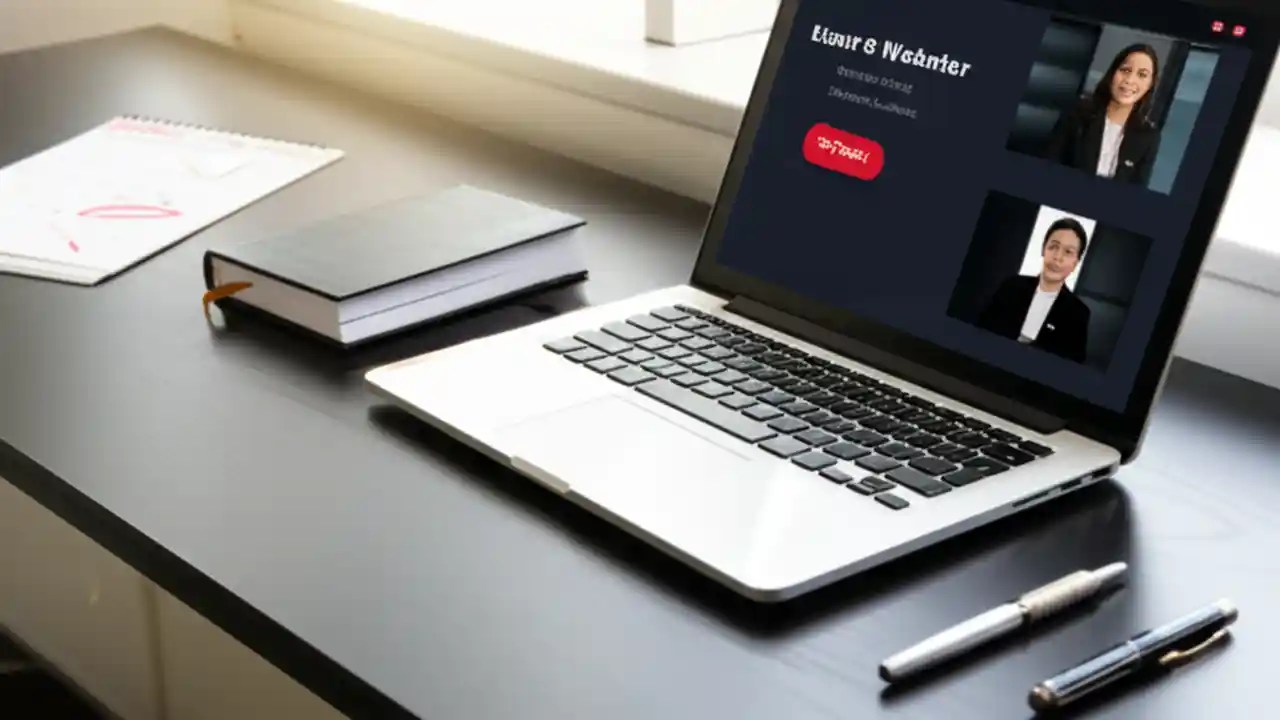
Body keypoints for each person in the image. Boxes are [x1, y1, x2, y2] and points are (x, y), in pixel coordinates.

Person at [1045, 44, 1162, 185]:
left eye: (1142, 75)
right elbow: (1049, 166)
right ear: (1112, 73)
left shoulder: (1148, 136)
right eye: (1125, 70)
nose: (1130, 80)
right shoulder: (1077, 113)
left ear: (1150, 84)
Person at [977, 218, 1091, 363]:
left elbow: (1071, 366)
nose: (1057, 257)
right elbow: (981, 330)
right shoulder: (1011, 286)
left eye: (1068, 252)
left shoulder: (1078, 313)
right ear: (1044, 249)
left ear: (1076, 263)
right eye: (1053, 247)